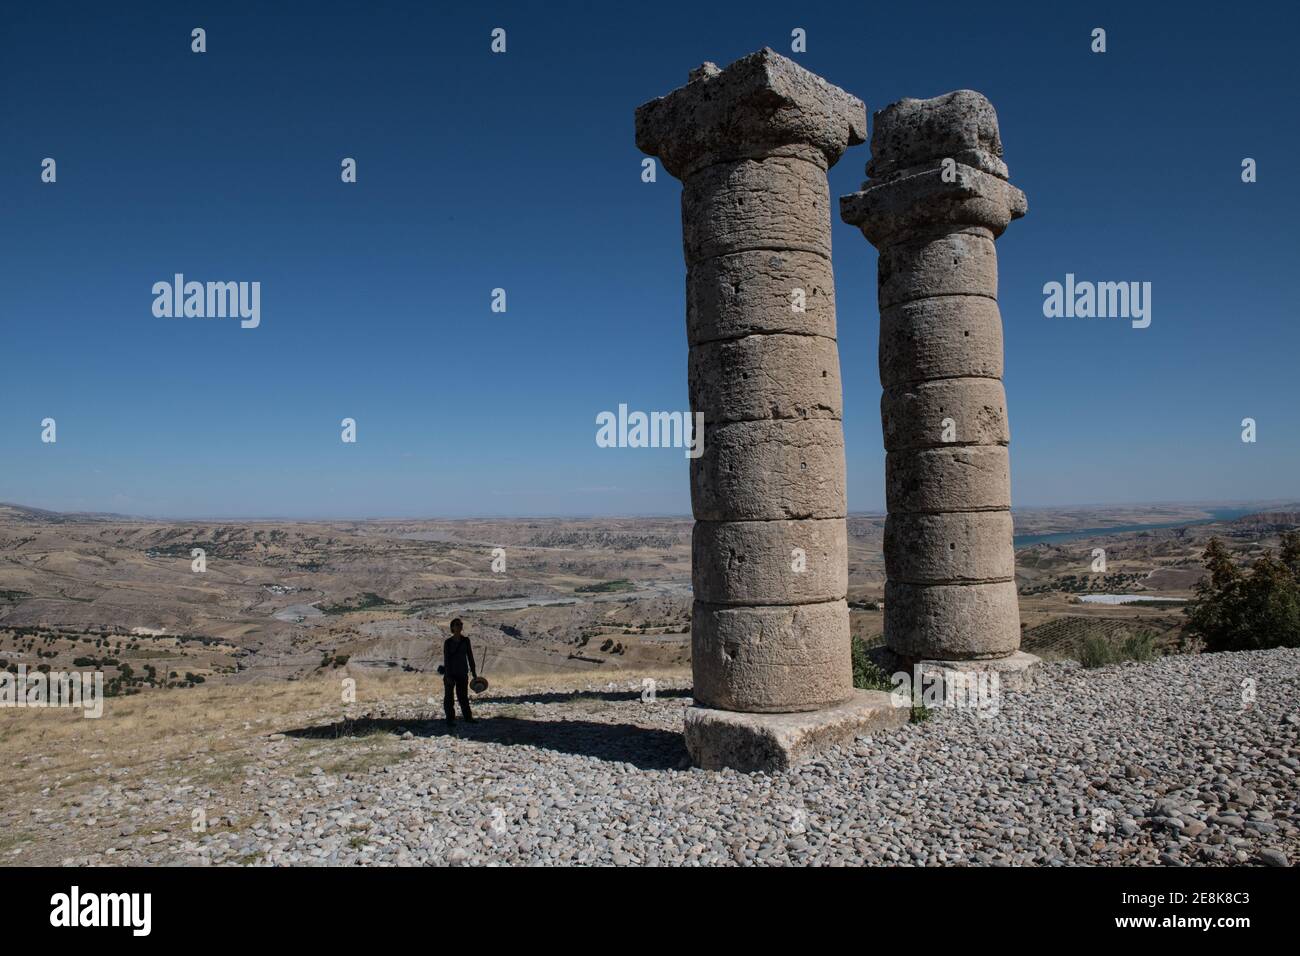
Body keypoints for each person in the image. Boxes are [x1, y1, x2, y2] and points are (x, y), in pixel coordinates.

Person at [441, 618, 477, 726]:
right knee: (449, 697)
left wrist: (474, 671)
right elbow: (446, 659)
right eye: (457, 624)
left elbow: (470, 656)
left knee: (463, 696)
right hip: (450, 672)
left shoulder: (466, 640)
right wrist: (447, 675)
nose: (460, 626)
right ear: (452, 627)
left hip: (462, 672)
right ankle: (450, 719)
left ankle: (468, 717)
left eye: (461, 624)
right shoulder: (448, 642)